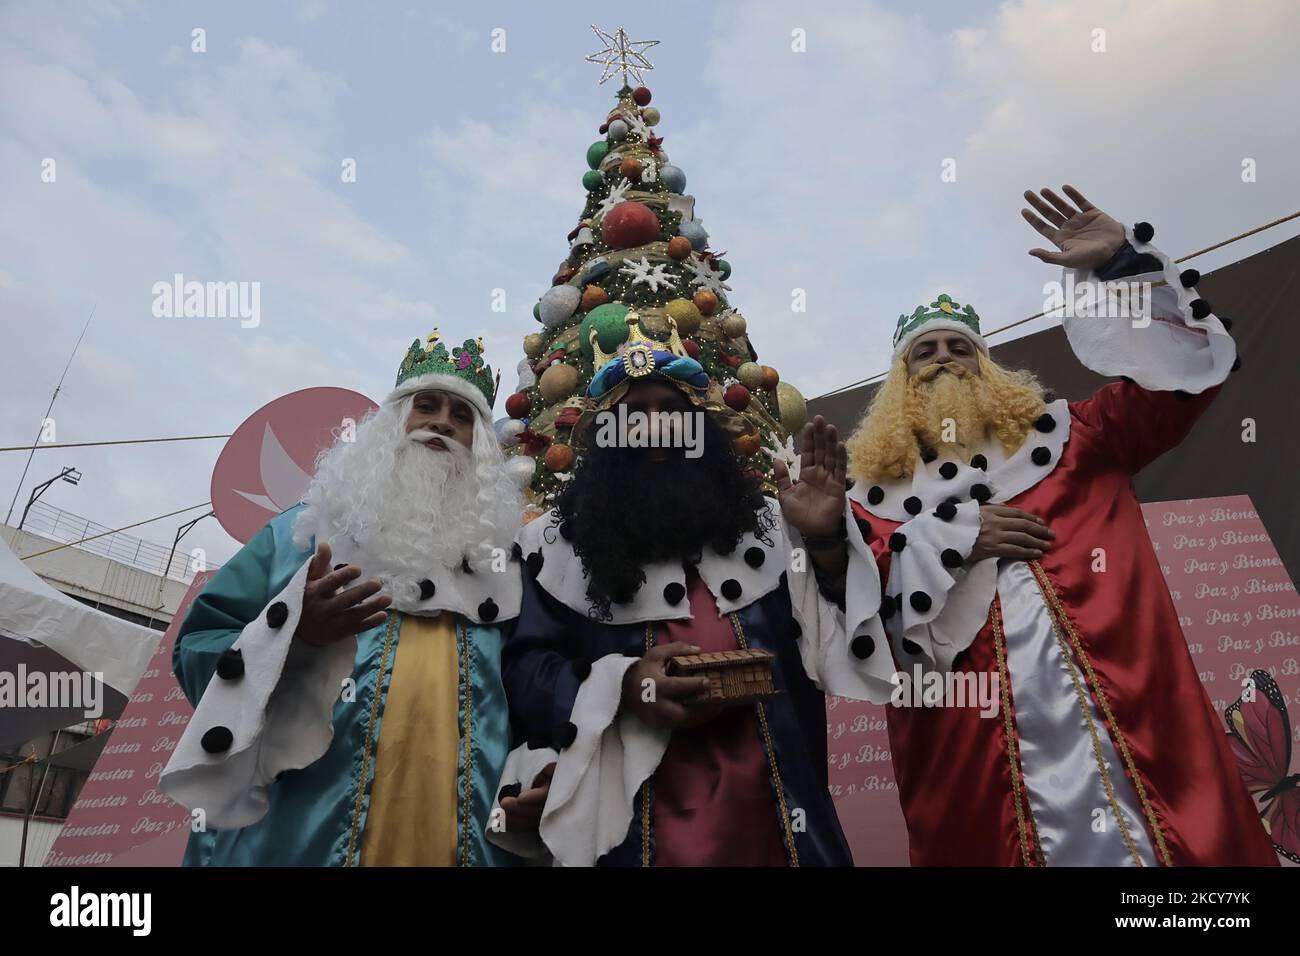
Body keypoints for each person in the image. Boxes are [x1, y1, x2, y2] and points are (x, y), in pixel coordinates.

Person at [838, 185, 1275, 865]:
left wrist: (1124, 269)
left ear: (988, 368)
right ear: (896, 385)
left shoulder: (1080, 437)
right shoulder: (866, 502)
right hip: (970, 768)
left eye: (961, 347)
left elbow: (1185, 383)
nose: (946, 359)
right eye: (924, 353)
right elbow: (853, 622)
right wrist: (946, 544)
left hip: (1140, 742)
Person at [491, 315, 879, 867]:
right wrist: (622, 686)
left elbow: (849, 643)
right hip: (632, 832)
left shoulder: (773, 524)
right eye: (633, 415)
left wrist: (825, 545)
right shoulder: (550, 545)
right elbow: (525, 671)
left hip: (780, 822)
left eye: (672, 413)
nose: (654, 427)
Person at [161, 332, 533, 865]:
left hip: (459, 835)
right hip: (299, 833)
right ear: (390, 426)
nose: (443, 423)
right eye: (425, 406)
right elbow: (199, 645)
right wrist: (291, 633)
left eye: (462, 415)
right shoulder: (301, 535)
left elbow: (534, 685)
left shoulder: (504, 563)